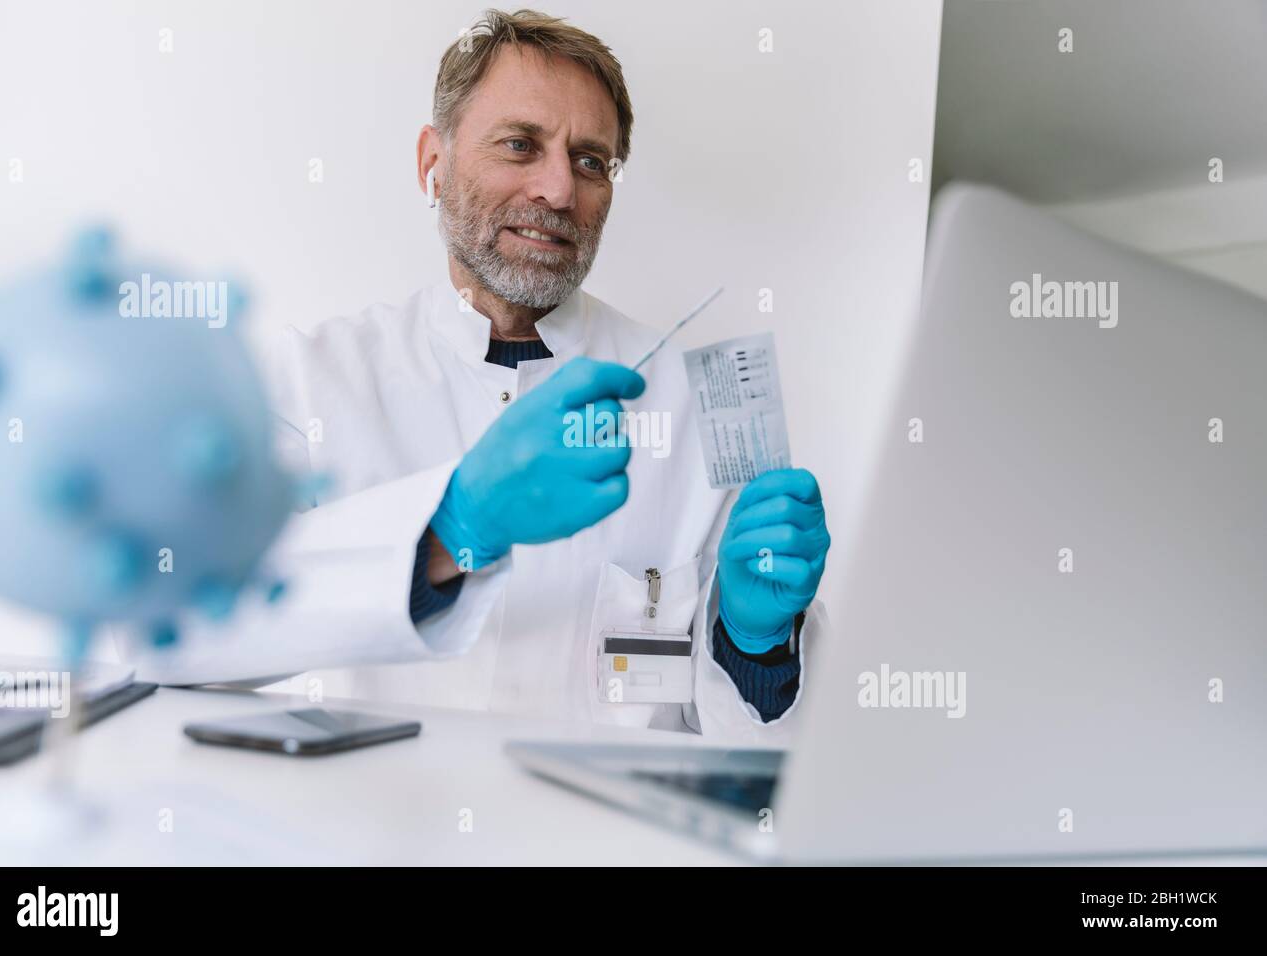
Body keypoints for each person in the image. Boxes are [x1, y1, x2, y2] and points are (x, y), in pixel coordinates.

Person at [130, 9, 831, 741]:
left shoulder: (692, 405)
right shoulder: (307, 384)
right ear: (433, 162)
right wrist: (448, 528)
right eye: (521, 145)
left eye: (590, 161)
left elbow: (761, 753)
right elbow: (174, 637)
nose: (557, 190)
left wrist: (757, 646)